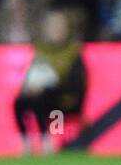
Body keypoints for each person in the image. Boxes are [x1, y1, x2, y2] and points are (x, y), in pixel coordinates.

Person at [13, 9, 87, 153]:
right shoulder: (40, 51)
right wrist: (28, 88)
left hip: (64, 99)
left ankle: (53, 139)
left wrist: (48, 88)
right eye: (53, 26)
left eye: (60, 26)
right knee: (20, 102)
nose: (56, 30)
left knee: (49, 104)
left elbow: (76, 85)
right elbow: (29, 75)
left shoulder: (73, 52)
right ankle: (27, 140)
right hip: (41, 97)